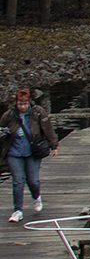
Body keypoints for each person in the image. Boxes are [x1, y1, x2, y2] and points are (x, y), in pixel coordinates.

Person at [5, 86, 56, 223]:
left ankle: (36, 197)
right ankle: (17, 211)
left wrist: (53, 145)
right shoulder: (9, 115)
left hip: (32, 151)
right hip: (14, 152)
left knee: (32, 180)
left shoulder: (37, 112)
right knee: (18, 181)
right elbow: (2, 127)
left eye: (25, 104)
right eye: (20, 104)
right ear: (16, 103)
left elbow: (47, 128)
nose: (22, 107)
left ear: (29, 102)